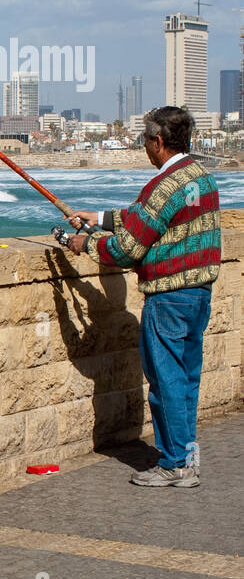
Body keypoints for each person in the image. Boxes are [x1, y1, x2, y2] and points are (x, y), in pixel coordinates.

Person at [66, 106, 220, 488]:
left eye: (145, 141)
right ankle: (187, 456)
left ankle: (173, 464)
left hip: (168, 297)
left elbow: (128, 249)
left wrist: (84, 244)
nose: (145, 148)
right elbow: (145, 216)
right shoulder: (201, 178)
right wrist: (98, 218)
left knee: (166, 381)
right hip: (198, 295)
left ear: (159, 141)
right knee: (185, 379)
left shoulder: (162, 185)